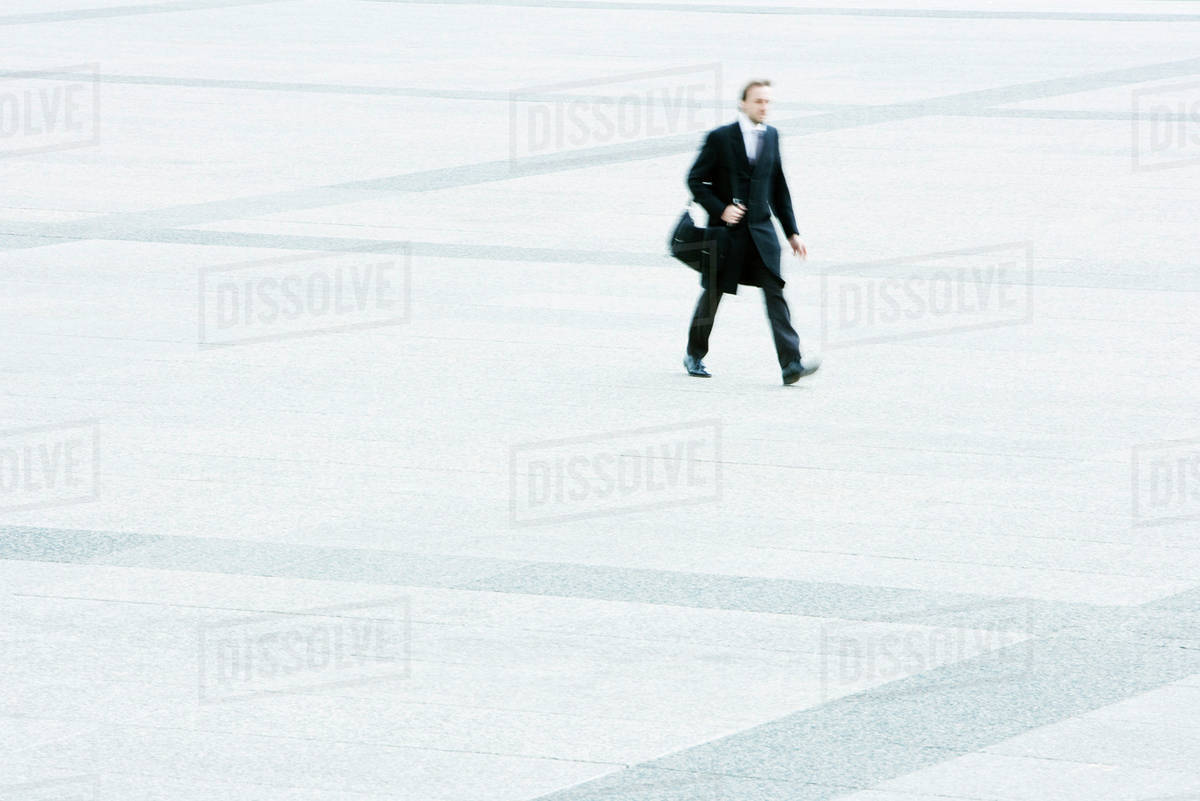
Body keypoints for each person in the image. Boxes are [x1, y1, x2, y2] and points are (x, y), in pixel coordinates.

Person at [682, 79, 821, 385]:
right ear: (743, 103)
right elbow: (695, 179)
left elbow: (778, 187)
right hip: (726, 235)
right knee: (713, 294)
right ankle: (694, 354)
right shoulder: (720, 138)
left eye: (768, 101)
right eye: (758, 101)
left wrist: (792, 232)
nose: (764, 107)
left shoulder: (771, 136)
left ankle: (791, 364)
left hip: (761, 234)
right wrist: (720, 208)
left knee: (775, 293)